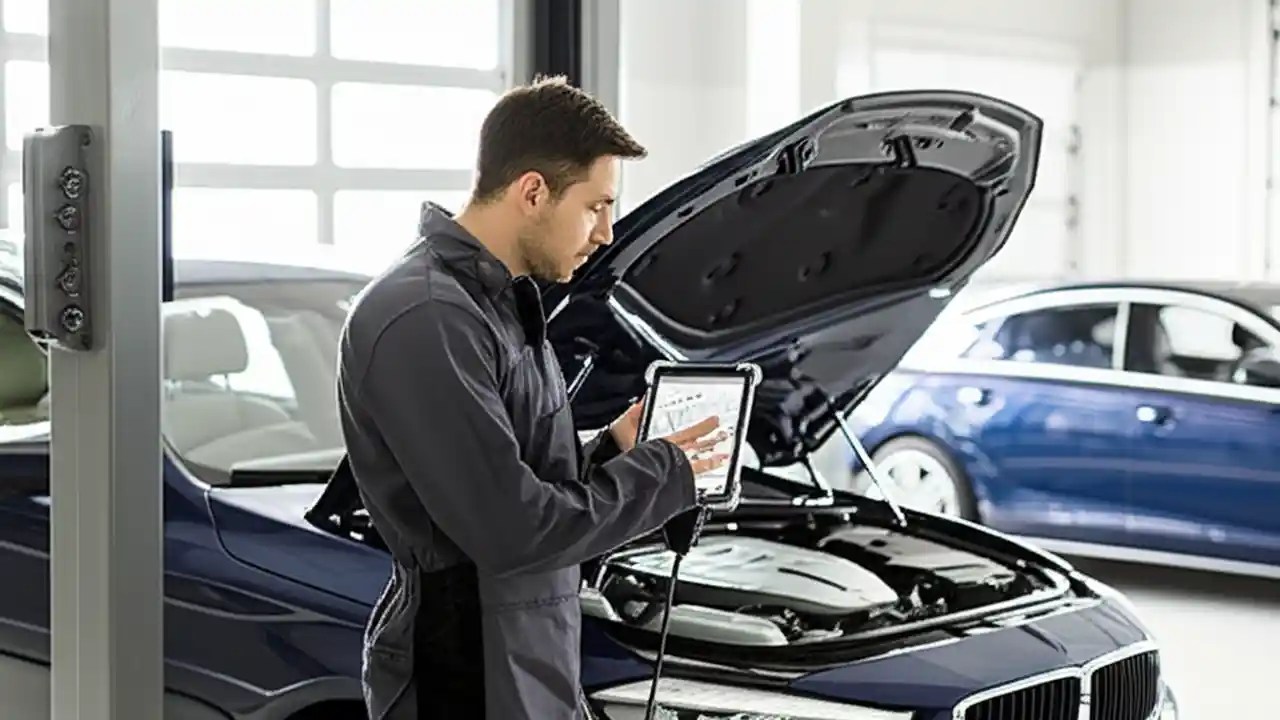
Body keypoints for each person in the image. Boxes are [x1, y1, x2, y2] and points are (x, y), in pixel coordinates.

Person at [336, 75, 729, 720]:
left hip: (527, 657)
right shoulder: (426, 316)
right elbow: (511, 529)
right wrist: (663, 473)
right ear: (533, 191)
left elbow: (517, 468)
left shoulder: (496, 303)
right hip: (465, 672)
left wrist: (609, 451)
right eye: (596, 206)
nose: (605, 232)